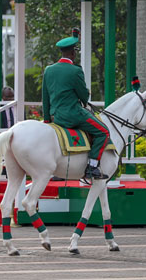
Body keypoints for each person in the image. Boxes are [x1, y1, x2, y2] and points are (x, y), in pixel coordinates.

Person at [42, 28, 109, 180]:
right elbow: (84, 98)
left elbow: (45, 98)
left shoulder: (49, 70)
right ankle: (92, 166)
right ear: (73, 53)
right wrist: (86, 93)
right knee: (103, 131)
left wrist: (47, 119)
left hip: (56, 116)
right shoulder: (75, 71)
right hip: (74, 115)